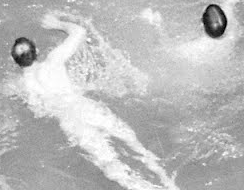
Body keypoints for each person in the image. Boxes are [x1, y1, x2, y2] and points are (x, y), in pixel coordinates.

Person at [11, 14, 180, 190]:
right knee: (135, 146)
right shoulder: (53, 61)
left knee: (110, 163)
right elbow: (79, 31)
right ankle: (168, 182)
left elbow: (39, 111)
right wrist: (57, 24)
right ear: (36, 51)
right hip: (85, 107)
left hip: (70, 122)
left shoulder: (22, 86)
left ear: (14, 61)